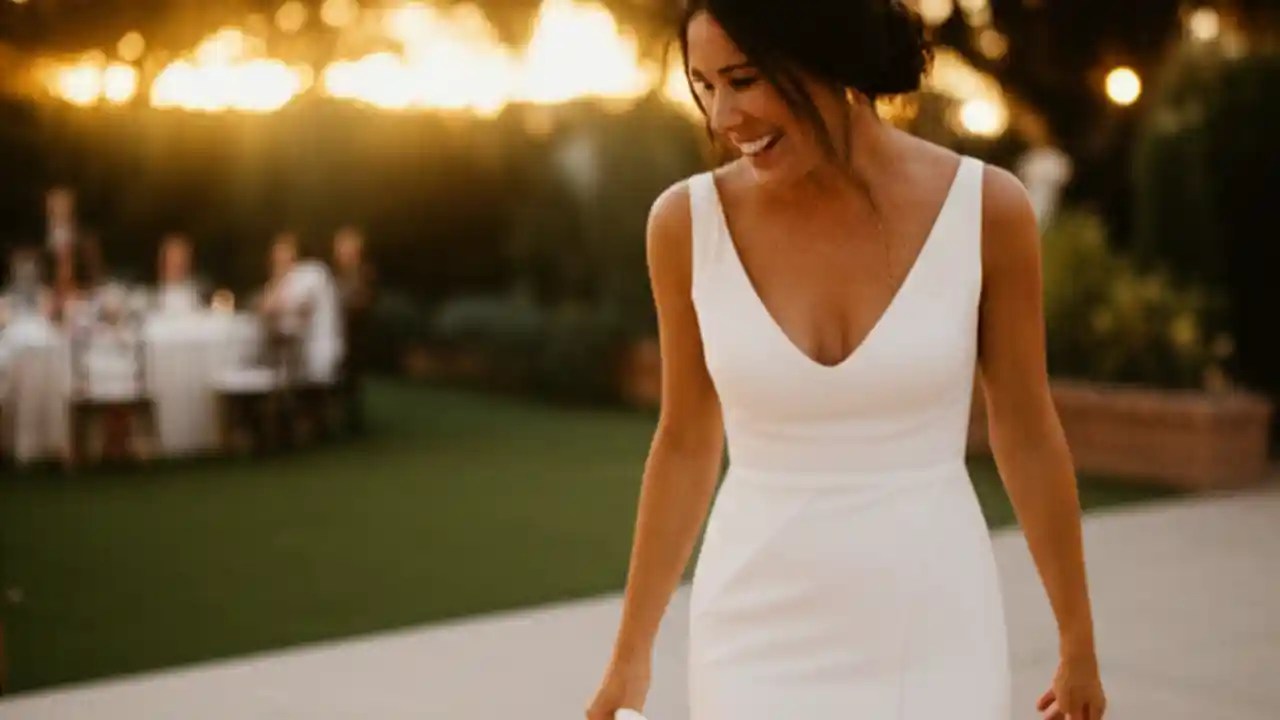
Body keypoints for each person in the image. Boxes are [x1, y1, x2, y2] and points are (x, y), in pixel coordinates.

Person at [585, 2, 1107, 720]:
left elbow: (1026, 430)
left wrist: (1077, 641)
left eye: (743, 79)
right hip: (751, 632)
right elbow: (684, 440)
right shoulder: (685, 225)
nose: (722, 116)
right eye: (705, 86)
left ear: (827, 55)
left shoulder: (988, 210)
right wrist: (630, 657)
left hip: (934, 623)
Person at [331, 225, 376, 433]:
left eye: (347, 247)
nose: (343, 252)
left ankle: (352, 422)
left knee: (350, 379)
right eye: (340, 247)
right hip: (337, 333)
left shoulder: (364, 273)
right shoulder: (335, 275)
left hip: (355, 335)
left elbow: (364, 302)